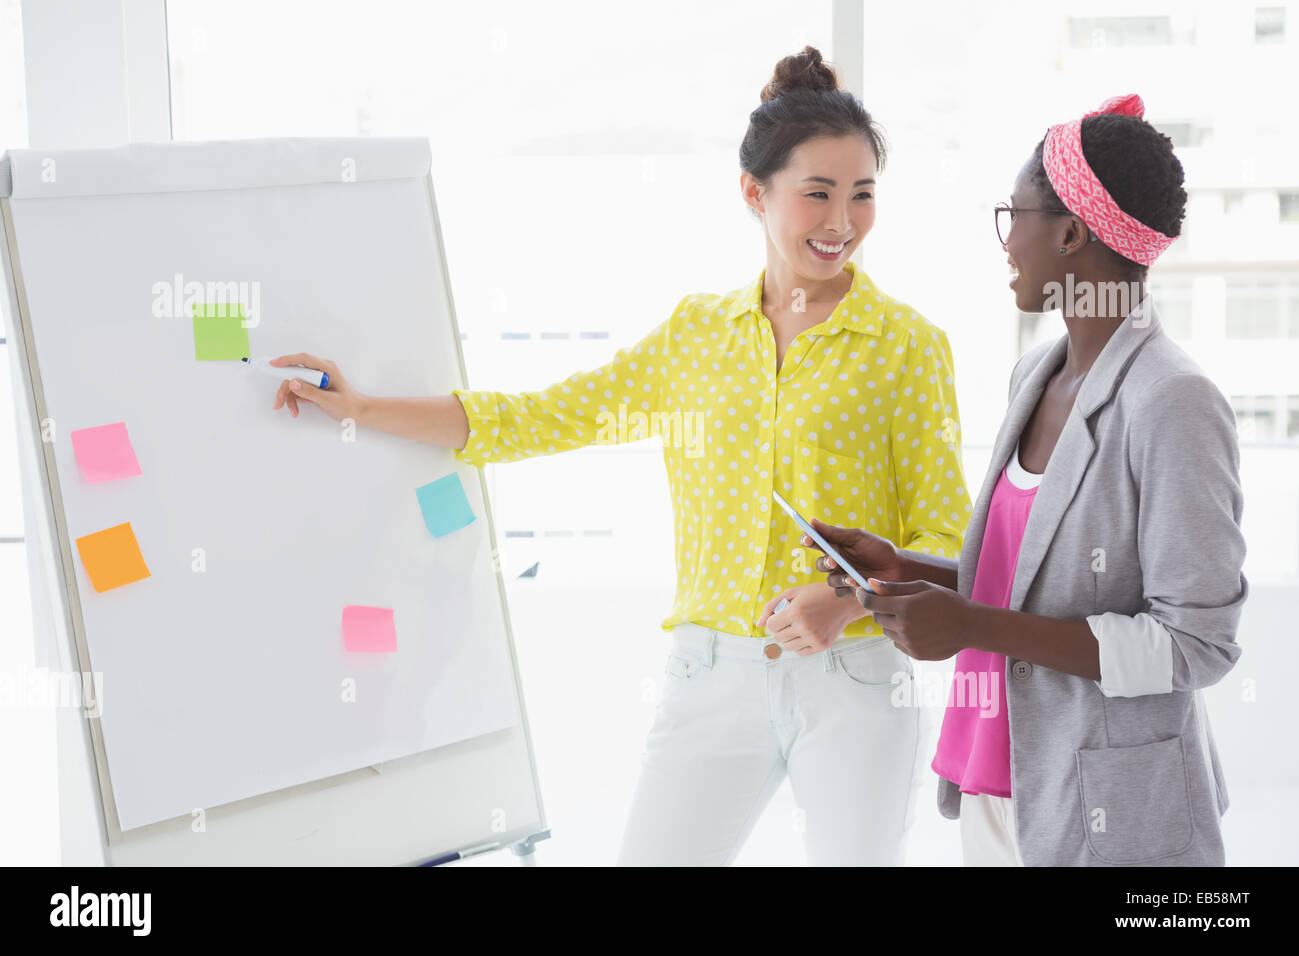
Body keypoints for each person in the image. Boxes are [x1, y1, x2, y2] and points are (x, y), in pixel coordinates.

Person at [267, 46, 972, 866]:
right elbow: (538, 418)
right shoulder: (697, 335)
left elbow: (947, 536)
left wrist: (845, 603)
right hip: (711, 673)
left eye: (862, 195)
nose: (842, 222)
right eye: (817, 193)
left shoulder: (908, 347)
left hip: (856, 679)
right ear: (755, 192)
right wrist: (359, 408)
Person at [806, 94, 1247, 866]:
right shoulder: (1033, 377)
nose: (1007, 241)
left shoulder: (1173, 401)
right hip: (1001, 788)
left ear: (1071, 233)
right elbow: (1032, 583)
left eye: (1017, 215)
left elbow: (1195, 644)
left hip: (1115, 815)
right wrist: (908, 569)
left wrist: (971, 626)